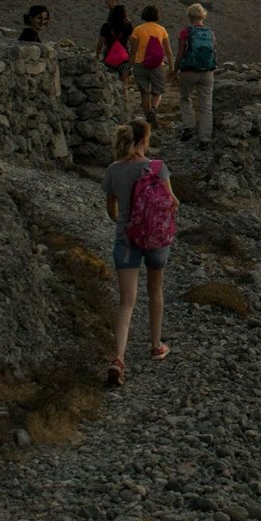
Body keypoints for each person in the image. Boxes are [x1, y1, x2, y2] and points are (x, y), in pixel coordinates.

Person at [103, 119, 175, 385]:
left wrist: (123, 223)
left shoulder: (113, 169)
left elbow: (111, 208)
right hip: (156, 240)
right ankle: (156, 345)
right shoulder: (157, 167)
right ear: (145, 139)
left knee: (126, 302)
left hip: (126, 240)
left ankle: (118, 358)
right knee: (155, 290)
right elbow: (172, 203)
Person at [174, 2, 217, 145]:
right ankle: (205, 138)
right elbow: (214, 51)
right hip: (207, 72)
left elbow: (180, 53)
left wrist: (175, 69)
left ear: (189, 16)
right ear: (203, 16)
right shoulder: (210, 33)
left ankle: (188, 128)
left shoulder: (185, 32)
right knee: (206, 106)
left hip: (188, 71)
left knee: (185, 98)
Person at [128, 5, 173, 127]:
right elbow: (168, 51)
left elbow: (133, 51)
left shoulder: (137, 30)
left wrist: (129, 67)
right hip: (157, 66)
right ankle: (153, 109)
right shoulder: (162, 30)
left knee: (144, 93)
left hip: (140, 64)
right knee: (157, 91)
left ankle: (148, 120)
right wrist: (172, 67)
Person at [97, 4, 135, 112]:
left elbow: (100, 43)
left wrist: (97, 55)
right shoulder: (128, 26)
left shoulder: (106, 26)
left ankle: (111, 107)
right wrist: (132, 58)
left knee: (109, 83)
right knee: (124, 84)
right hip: (123, 59)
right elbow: (132, 43)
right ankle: (125, 106)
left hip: (109, 58)